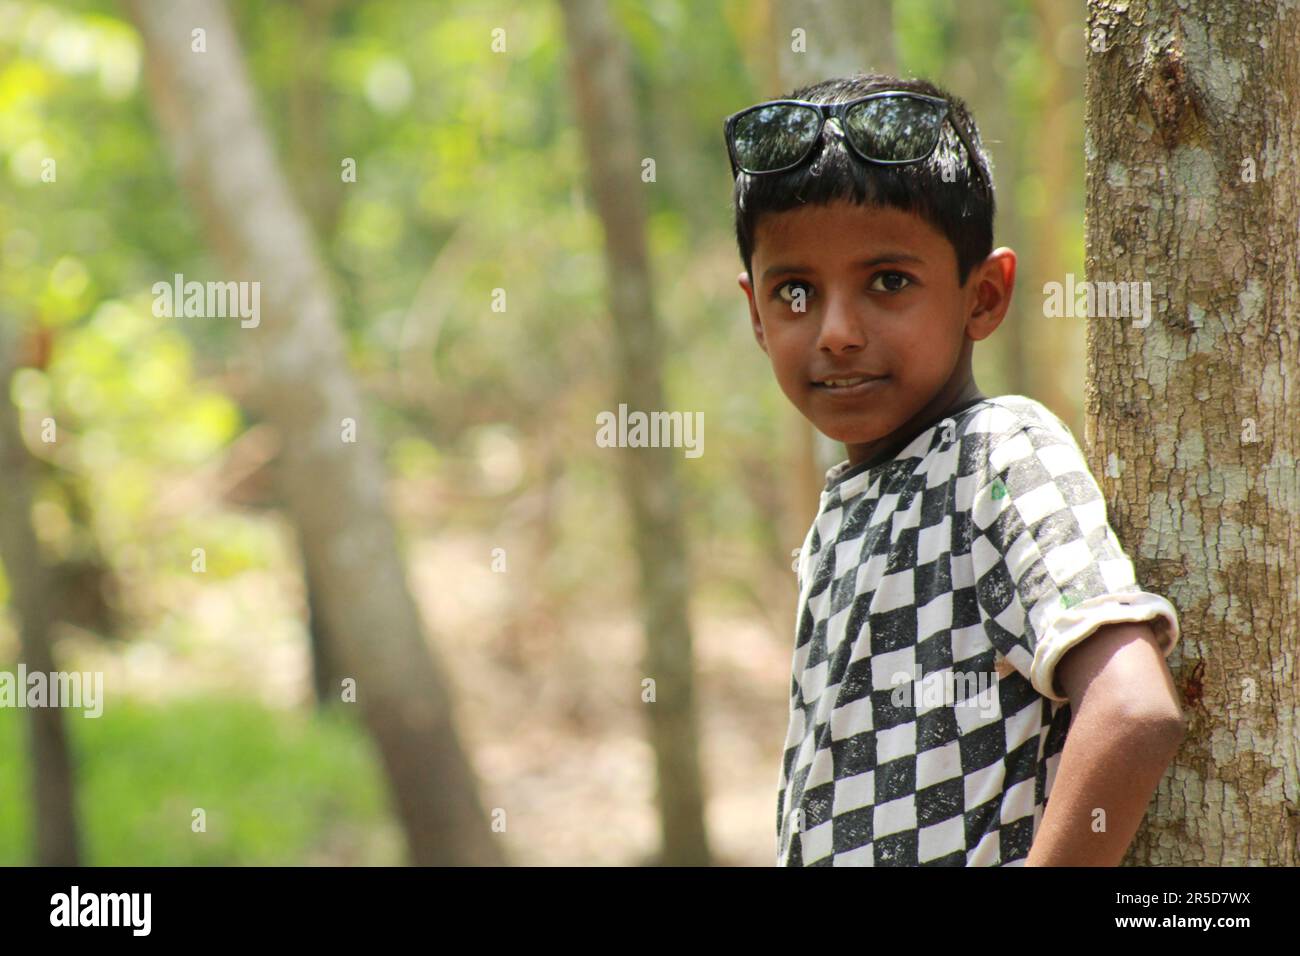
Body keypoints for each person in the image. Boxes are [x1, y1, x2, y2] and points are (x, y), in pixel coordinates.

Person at [725, 72, 1186, 866]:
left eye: (888, 282)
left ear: (985, 295)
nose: (835, 331)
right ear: (757, 315)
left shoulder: (998, 453)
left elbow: (1134, 710)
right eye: (795, 291)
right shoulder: (841, 517)